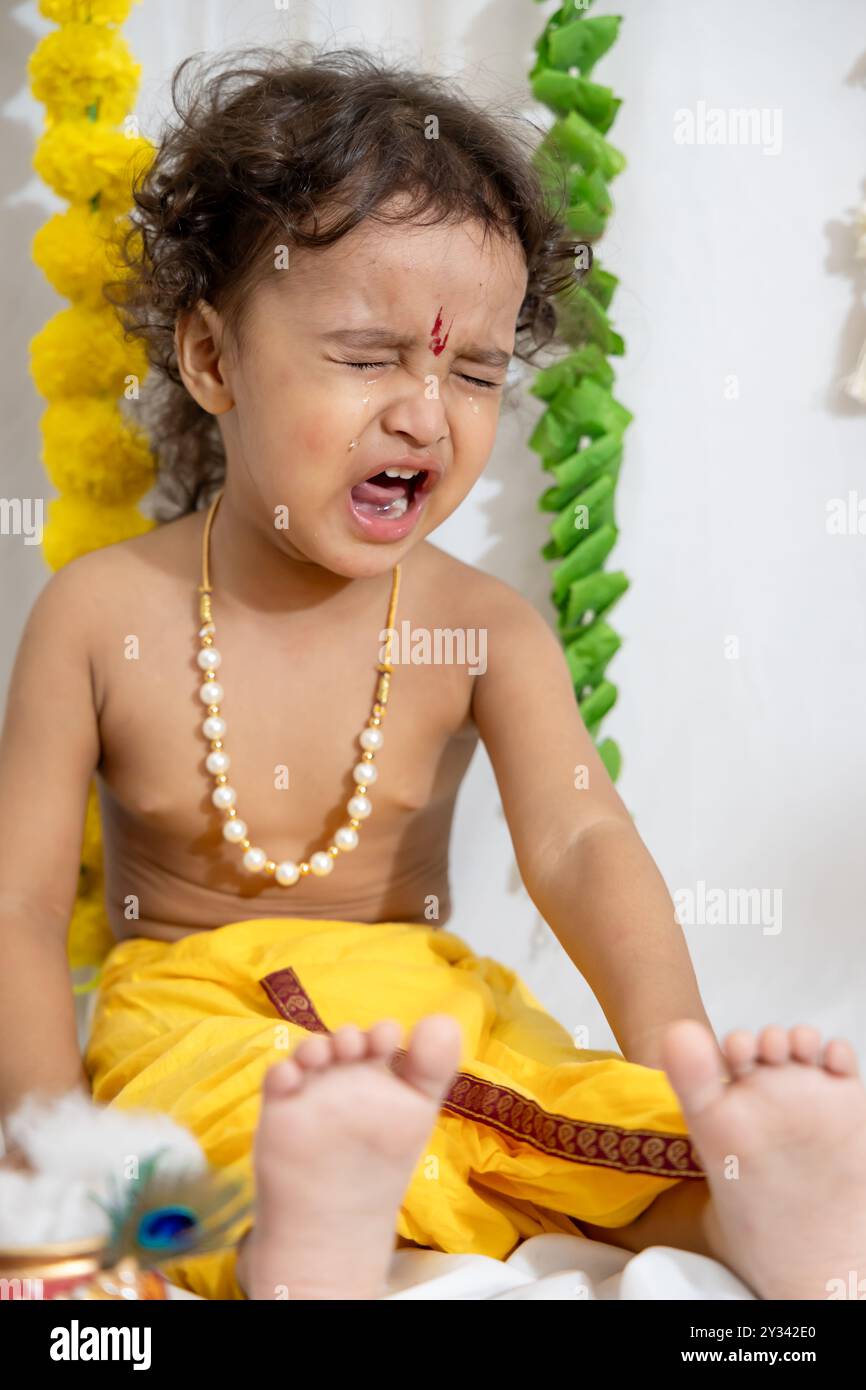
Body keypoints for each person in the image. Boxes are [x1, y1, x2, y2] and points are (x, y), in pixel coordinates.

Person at [1, 45, 863, 1301]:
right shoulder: (97, 612)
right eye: (366, 356)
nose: (426, 412)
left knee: (584, 1132)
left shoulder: (482, 626)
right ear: (212, 362)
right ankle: (320, 1237)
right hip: (194, 1021)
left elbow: (578, 845)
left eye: (472, 370)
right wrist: (51, 1166)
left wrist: (685, 1067)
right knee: (221, 1152)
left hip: (433, 1019)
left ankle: (766, 1216)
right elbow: (19, 906)